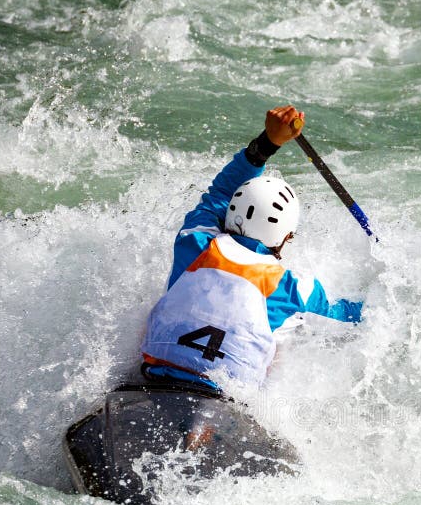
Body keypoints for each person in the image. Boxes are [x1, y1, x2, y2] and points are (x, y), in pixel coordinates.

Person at [140, 105, 362, 394]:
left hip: (151, 378)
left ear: (232, 212)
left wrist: (267, 143)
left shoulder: (195, 241)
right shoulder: (296, 288)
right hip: (224, 399)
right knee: (287, 341)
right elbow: (352, 319)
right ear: (286, 237)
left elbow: (218, 194)